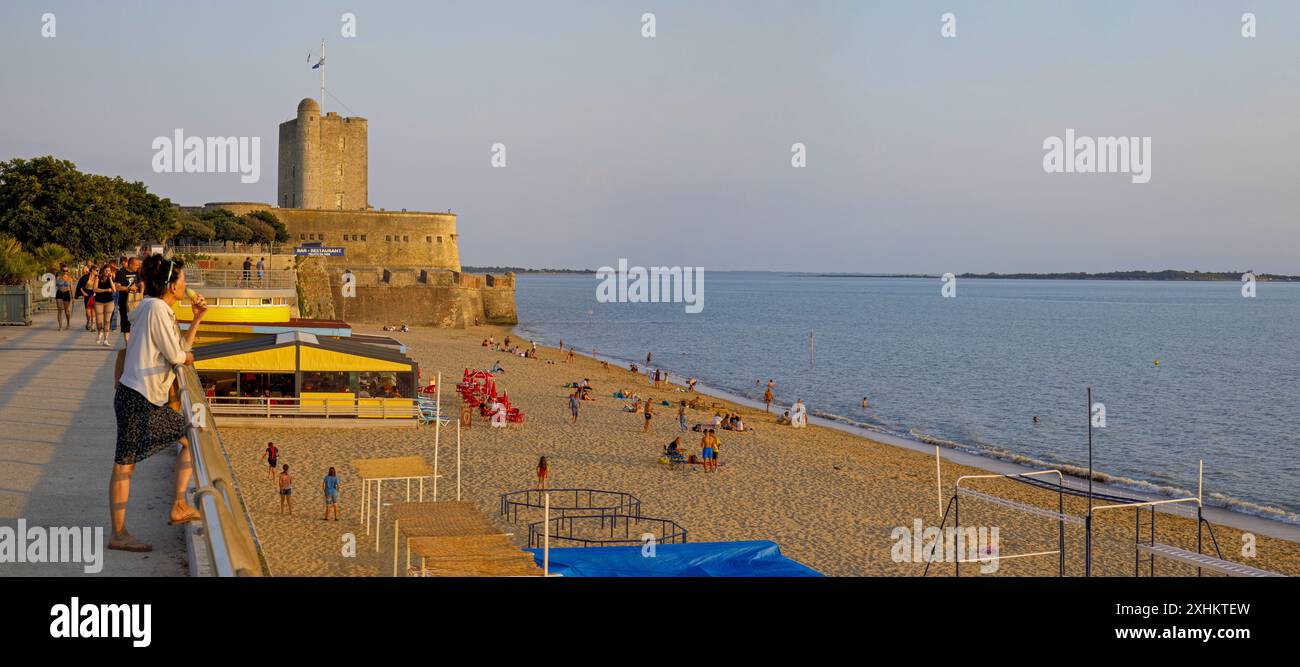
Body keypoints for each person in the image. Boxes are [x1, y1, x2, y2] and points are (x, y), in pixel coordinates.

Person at [108, 255, 209, 552]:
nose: (185, 285)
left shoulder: (154, 308)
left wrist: (198, 318)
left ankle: (124, 530)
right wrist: (186, 356)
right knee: (189, 436)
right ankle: (170, 508)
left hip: (135, 395)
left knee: (125, 466)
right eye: (182, 280)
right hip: (140, 397)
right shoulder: (157, 309)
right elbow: (179, 356)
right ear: (171, 285)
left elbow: (178, 349)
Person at [115, 256, 142, 345]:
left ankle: (134, 343)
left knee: (136, 323)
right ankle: (128, 344)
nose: (137, 267)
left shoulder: (137, 273)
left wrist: (140, 287)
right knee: (126, 323)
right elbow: (117, 286)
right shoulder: (121, 273)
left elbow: (140, 283)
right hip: (124, 302)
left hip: (136, 302)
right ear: (130, 264)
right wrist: (128, 288)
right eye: (136, 265)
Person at [92, 265, 117, 346]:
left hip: (109, 302)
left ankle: (106, 339)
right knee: (99, 321)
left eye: (109, 270)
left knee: (107, 321)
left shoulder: (111, 278)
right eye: (106, 270)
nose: (107, 272)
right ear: (102, 271)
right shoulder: (97, 278)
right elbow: (94, 289)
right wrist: (106, 290)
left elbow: (114, 290)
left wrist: (110, 279)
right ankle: (99, 332)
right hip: (99, 302)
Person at [76, 264, 96, 331]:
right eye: (96, 270)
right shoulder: (85, 277)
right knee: (88, 310)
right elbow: (80, 286)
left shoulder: (97, 277)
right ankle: (88, 321)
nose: (97, 272)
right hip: (87, 294)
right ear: (93, 270)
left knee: (93, 310)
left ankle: (93, 325)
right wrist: (83, 293)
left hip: (95, 294)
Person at [54, 265, 73, 330]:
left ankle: (68, 323)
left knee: (67, 311)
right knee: (59, 310)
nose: (65, 272)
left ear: (68, 271)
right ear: (61, 271)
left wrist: (73, 298)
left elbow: (72, 288)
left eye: (66, 271)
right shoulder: (58, 278)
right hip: (59, 293)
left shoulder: (70, 279)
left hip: (67, 293)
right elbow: (55, 285)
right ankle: (60, 326)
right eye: (64, 271)